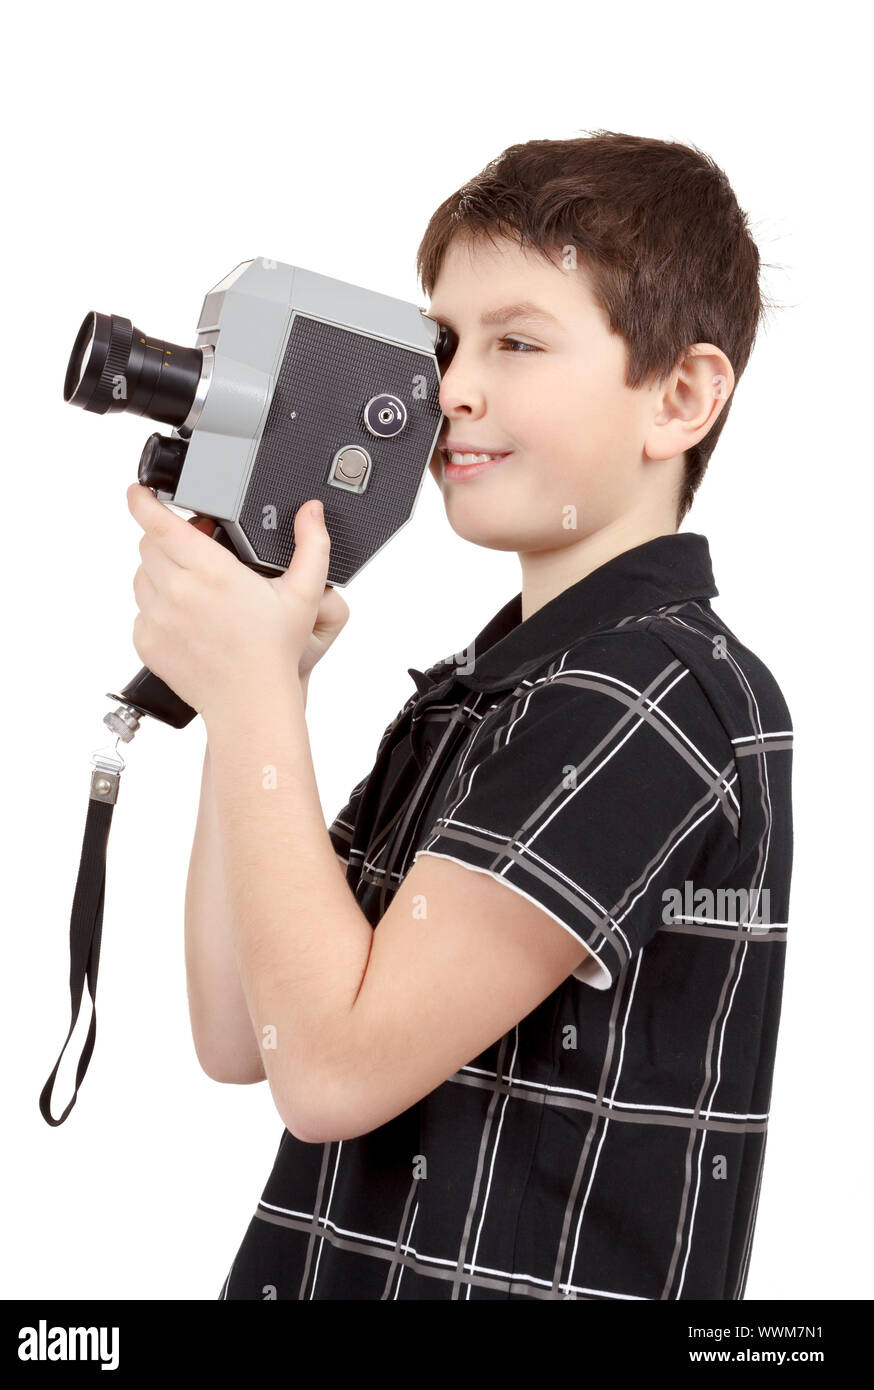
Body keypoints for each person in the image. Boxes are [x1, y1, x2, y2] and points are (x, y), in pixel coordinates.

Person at [166, 132, 793, 1301]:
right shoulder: (474, 695)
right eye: (446, 341)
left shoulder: (659, 693)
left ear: (681, 395)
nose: (451, 387)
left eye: (517, 340)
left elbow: (333, 1075)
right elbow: (238, 1030)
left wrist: (253, 695)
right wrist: (261, 685)